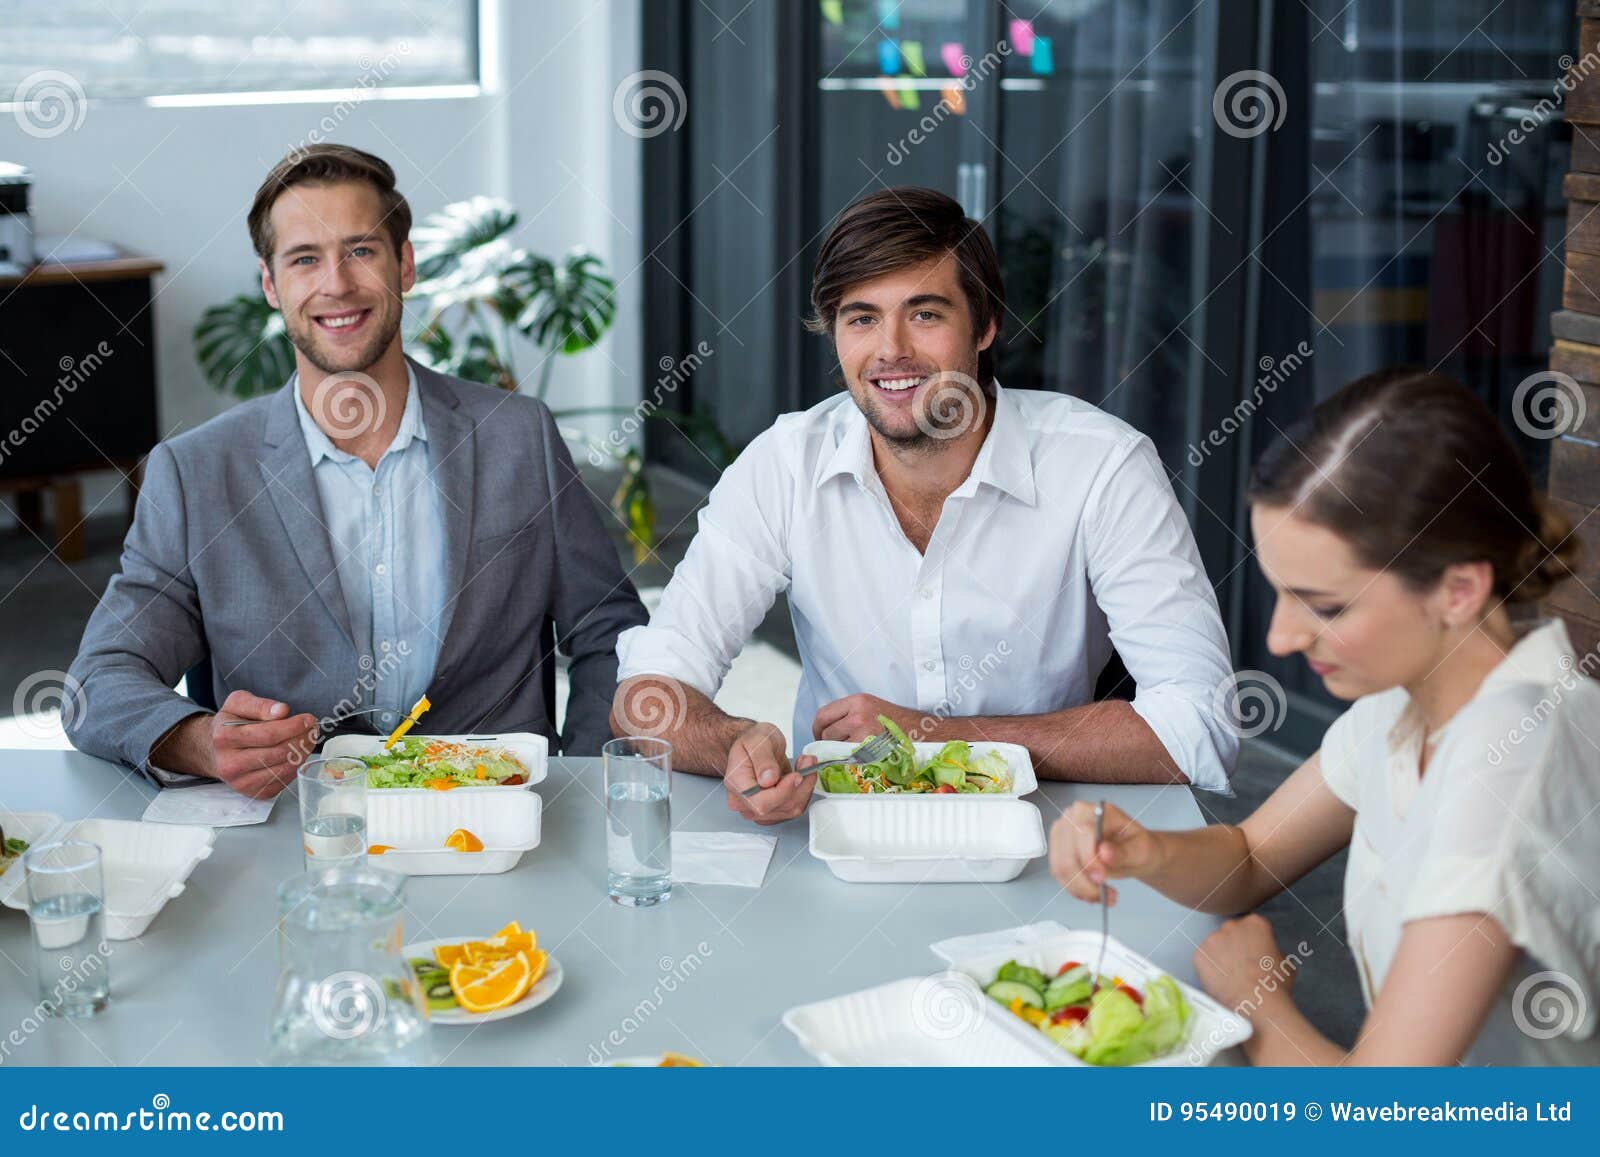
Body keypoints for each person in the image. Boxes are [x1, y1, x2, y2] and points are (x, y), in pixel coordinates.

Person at [613, 187, 1238, 827]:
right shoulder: (785, 462)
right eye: (861, 318)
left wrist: (942, 736)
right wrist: (733, 742)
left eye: (925, 314)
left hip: (1041, 836)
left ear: (986, 325)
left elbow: (1201, 721)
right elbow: (646, 694)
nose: (890, 351)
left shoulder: (1100, 465)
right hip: (839, 835)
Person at [1049, 368, 1600, 1065]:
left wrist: (1259, 1000)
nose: (1280, 638)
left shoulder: (1511, 759)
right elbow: (1250, 858)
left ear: (1459, 588)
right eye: (1279, 592)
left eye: (1327, 605)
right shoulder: (1412, 698)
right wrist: (1145, 850)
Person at [66, 145, 646, 797]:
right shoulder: (197, 473)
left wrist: (585, 782)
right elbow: (100, 681)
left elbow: (612, 631)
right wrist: (200, 741)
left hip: (499, 825)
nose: (335, 283)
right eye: (305, 258)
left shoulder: (519, 437)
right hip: (298, 834)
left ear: (406, 264)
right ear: (270, 283)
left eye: (361, 250)